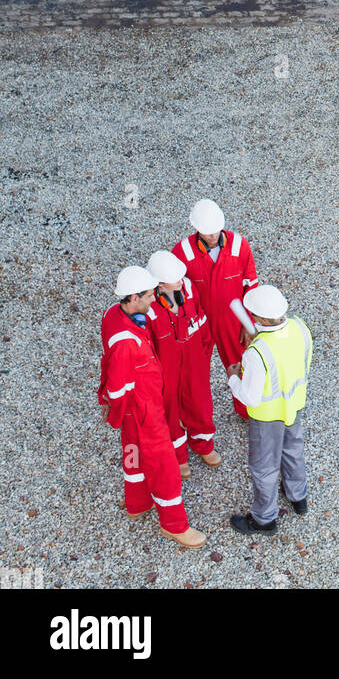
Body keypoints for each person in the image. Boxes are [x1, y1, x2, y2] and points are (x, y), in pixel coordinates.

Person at [98, 266, 205, 549]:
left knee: (132, 452)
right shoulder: (126, 341)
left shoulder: (113, 314)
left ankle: (137, 502)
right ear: (133, 298)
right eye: (148, 296)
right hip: (144, 408)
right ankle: (174, 524)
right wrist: (120, 411)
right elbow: (118, 386)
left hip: (135, 410)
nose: (153, 300)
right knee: (164, 465)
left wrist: (114, 408)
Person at [226, 284, 312, 535]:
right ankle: (299, 497)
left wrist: (233, 377)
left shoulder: (257, 352)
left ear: (262, 318)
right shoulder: (300, 328)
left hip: (266, 416)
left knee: (264, 468)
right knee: (293, 450)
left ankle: (264, 519)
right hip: (293, 405)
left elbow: (250, 397)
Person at [172, 199, 258, 417]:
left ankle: (247, 411)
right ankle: (193, 419)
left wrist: (247, 323)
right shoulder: (182, 252)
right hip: (199, 322)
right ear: (196, 229)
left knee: (241, 364)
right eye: (206, 232)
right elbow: (175, 291)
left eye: (215, 231)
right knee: (193, 372)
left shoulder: (240, 246)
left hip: (232, 320)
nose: (212, 236)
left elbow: (251, 285)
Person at [145, 250, 221, 477]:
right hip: (166, 367)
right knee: (170, 408)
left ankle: (203, 444)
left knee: (200, 402)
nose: (181, 280)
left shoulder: (187, 287)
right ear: (158, 285)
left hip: (194, 358)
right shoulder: (148, 309)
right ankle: (178, 455)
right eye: (174, 278)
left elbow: (201, 319)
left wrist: (205, 351)